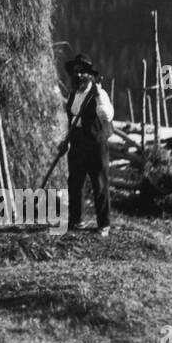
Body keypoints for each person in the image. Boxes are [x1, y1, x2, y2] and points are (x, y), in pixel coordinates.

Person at [58, 54, 115, 236]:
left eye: (83, 72)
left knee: (99, 183)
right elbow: (71, 119)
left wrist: (98, 97)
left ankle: (103, 225)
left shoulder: (99, 94)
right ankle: (77, 221)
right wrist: (65, 139)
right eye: (76, 72)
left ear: (90, 75)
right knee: (75, 182)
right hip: (77, 142)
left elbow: (107, 116)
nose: (79, 75)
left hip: (96, 142)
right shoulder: (74, 94)